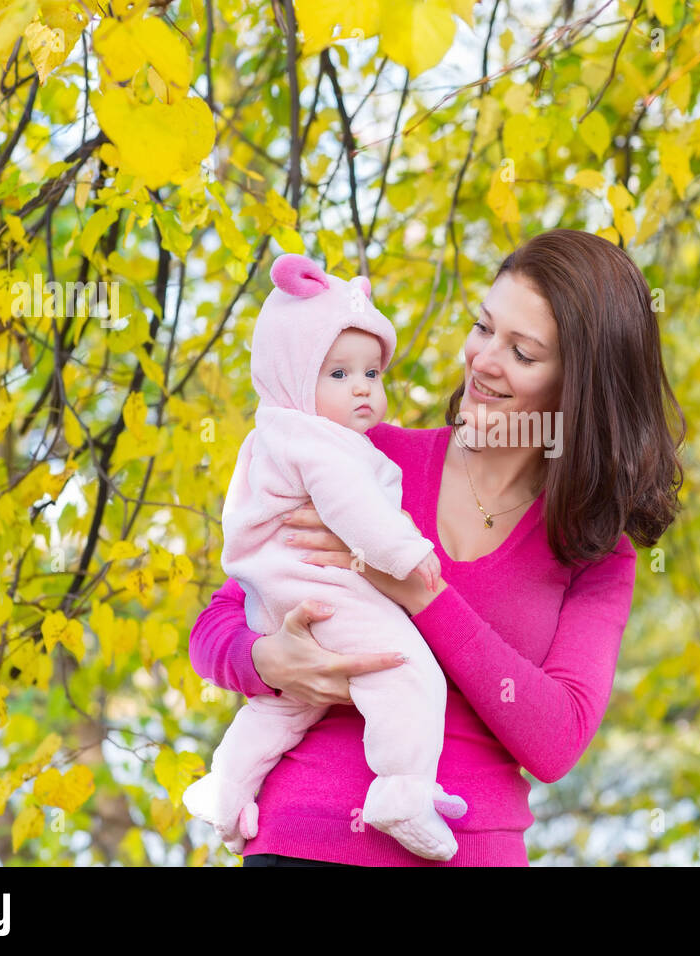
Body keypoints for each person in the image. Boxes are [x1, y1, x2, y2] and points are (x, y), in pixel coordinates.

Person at [189, 228, 686, 866]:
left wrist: (426, 596)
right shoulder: (365, 460)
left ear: (578, 386)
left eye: (523, 353)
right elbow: (220, 619)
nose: (483, 360)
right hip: (301, 841)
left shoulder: (592, 551)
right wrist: (269, 661)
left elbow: (556, 740)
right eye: (483, 328)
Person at [181, 252, 469, 862]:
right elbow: (354, 509)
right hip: (320, 590)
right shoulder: (322, 443)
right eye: (338, 375)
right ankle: (401, 791)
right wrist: (406, 554)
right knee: (406, 670)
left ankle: (227, 790)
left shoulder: (274, 433)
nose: (363, 388)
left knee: (284, 708)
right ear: (291, 376)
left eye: (371, 372)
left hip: (276, 595)